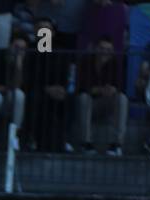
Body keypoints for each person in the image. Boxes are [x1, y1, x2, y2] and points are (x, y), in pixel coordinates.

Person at [24, 15, 69, 152]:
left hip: (57, 91)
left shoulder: (60, 51)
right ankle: (31, 138)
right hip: (35, 90)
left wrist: (62, 89)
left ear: (53, 33)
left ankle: (64, 140)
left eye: (47, 29)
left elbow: (65, 75)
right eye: (41, 29)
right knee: (35, 99)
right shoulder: (30, 50)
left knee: (69, 101)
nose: (44, 32)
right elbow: (28, 76)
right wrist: (46, 89)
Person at [76, 35, 126, 155]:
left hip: (106, 104)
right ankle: (86, 143)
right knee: (83, 98)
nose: (105, 52)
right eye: (102, 48)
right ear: (95, 48)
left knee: (122, 99)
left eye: (108, 50)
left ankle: (116, 144)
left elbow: (120, 87)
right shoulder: (86, 61)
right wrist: (99, 90)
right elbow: (80, 88)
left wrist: (113, 90)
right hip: (89, 104)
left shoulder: (115, 64)